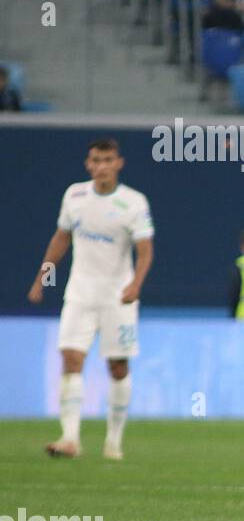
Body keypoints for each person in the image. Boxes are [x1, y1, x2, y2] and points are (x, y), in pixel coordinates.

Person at [27, 138, 154, 461]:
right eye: (96, 160)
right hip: (80, 294)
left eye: (107, 160)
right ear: (88, 164)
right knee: (70, 359)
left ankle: (113, 442)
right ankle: (70, 439)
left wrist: (136, 284)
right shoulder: (75, 195)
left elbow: (145, 250)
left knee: (117, 365)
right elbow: (61, 238)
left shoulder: (134, 202)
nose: (101, 166)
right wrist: (43, 278)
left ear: (119, 163)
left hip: (118, 298)